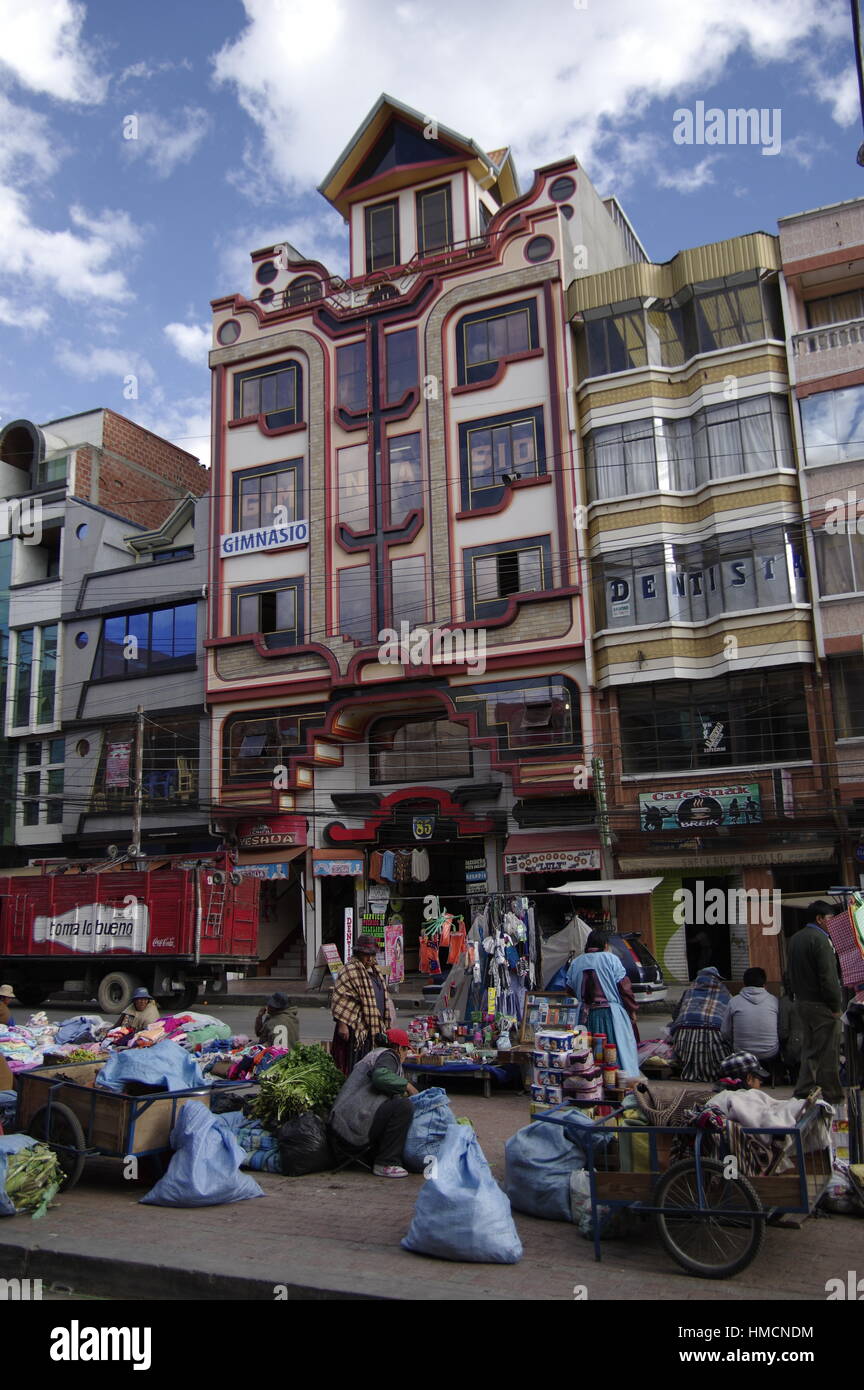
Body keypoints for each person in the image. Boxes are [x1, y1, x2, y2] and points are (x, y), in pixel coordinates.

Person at [328, 1028, 418, 1178]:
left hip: (343, 1122)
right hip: (351, 1124)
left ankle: (379, 1156)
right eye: (405, 1050)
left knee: (395, 1104)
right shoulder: (388, 1055)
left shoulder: (376, 1054)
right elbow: (381, 1077)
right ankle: (386, 1163)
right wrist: (407, 1086)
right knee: (403, 1107)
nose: (405, 1055)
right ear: (398, 1048)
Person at [786, 901, 844, 1103]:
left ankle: (803, 1093)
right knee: (829, 1053)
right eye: (831, 919)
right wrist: (836, 1007)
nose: (833, 923)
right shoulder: (820, 939)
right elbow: (828, 978)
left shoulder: (795, 939)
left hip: (801, 1003)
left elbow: (789, 974)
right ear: (819, 919)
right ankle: (833, 1097)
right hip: (821, 1004)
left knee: (810, 1051)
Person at [565, 930, 640, 1078]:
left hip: (584, 1017)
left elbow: (569, 988)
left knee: (586, 1053)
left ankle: (588, 1083)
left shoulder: (577, 962)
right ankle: (618, 1082)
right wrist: (632, 1010)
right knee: (613, 1050)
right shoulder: (611, 959)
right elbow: (625, 988)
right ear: (606, 945)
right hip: (610, 1015)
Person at [330, 934, 393, 1075]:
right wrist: (342, 1024)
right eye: (366, 955)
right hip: (356, 1029)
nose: (369, 958)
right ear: (358, 953)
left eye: (372, 954)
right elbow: (340, 998)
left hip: (372, 1027)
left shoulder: (375, 971)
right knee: (355, 1065)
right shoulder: (349, 970)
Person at [669, 966, 731, 1081]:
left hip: (684, 1037)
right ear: (717, 978)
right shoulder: (724, 992)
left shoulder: (689, 991)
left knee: (672, 1030)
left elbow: (675, 1016)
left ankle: (687, 1069)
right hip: (713, 1037)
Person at [721, 967, 780, 1068]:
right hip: (769, 1053)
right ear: (764, 984)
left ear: (744, 983)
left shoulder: (734, 1001)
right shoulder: (774, 1001)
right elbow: (780, 1029)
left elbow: (725, 1032)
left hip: (742, 1053)